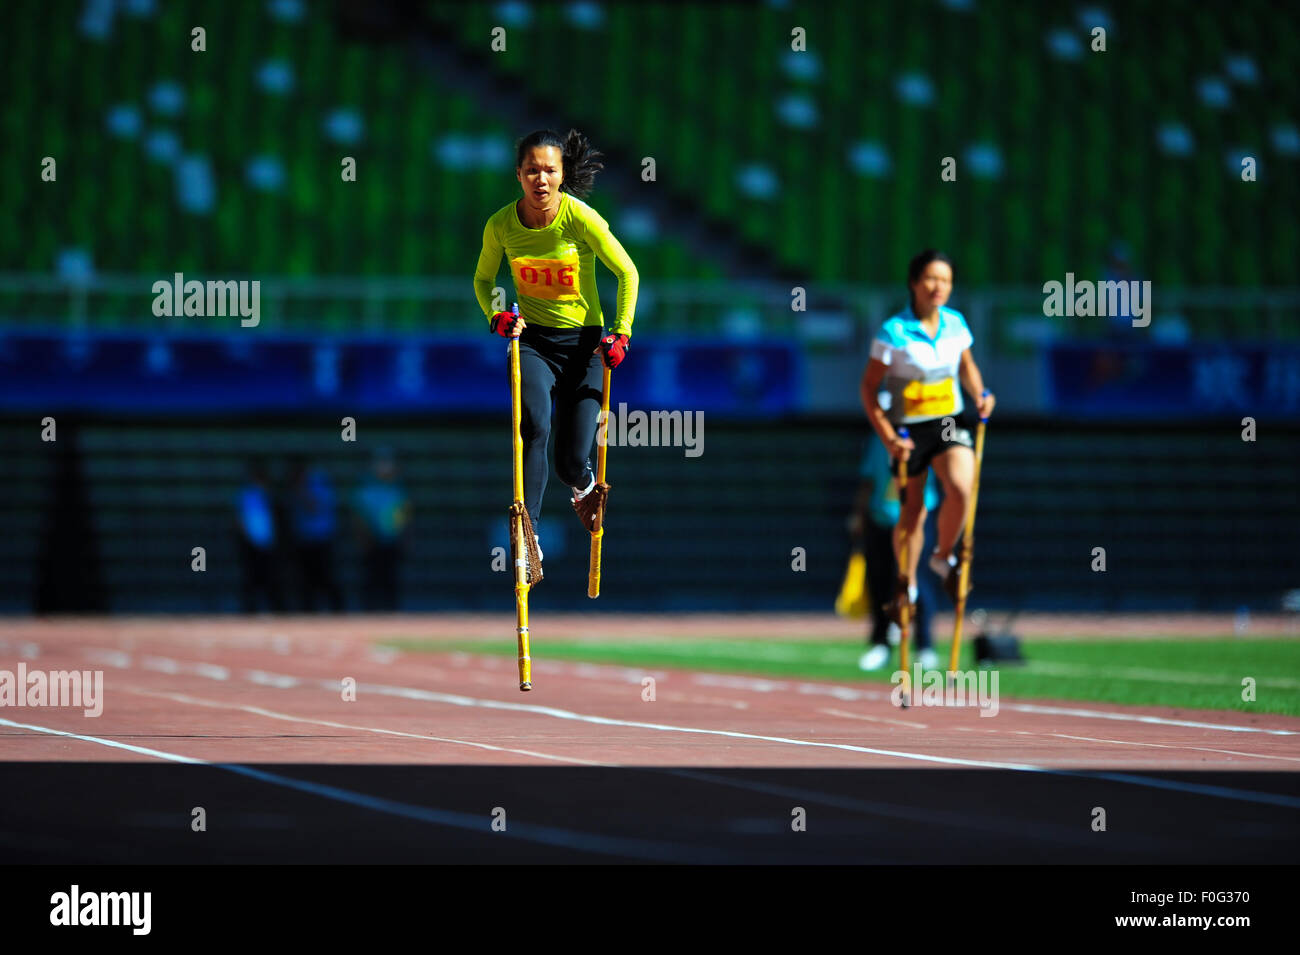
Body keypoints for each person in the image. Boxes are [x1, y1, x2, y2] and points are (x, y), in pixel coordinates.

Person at [472, 129, 639, 580]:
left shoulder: (582, 219)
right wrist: (496, 315)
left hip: (585, 348)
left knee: (570, 463)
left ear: (562, 174)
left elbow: (627, 271)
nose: (540, 179)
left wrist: (621, 333)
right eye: (532, 171)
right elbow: (484, 281)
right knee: (535, 426)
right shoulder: (501, 226)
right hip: (533, 344)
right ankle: (530, 536)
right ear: (518, 175)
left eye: (549, 170)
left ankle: (584, 488)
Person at [860, 250, 995, 652]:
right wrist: (887, 436)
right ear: (915, 283)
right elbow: (869, 388)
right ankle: (910, 582)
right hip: (907, 426)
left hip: (948, 420)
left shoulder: (956, 324)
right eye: (932, 279)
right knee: (913, 510)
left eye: (947, 281)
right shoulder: (893, 332)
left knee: (962, 486)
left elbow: (967, 367)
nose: (939, 287)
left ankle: (941, 556)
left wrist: (980, 393)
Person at [854, 437, 942, 671]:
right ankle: (881, 644)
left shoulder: (925, 432)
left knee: (917, 582)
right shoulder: (877, 439)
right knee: (880, 584)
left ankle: (924, 646)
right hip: (881, 518)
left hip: (916, 520)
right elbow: (868, 479)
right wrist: (859, 515)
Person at [353, 448, 411, 611]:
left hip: (391, 540)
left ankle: (391, 614)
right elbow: (359, 517)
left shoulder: (398, 490)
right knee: (370, 580)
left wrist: (404, 537)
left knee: (391, 581)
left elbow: (404, 516)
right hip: (372, 541)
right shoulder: (366, 490)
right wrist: (363, 538)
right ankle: (369, 613)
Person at [288, 456, 343, 612]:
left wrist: (301, 490)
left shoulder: (318, 484)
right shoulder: (297, 487)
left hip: (322, 539)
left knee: (326, 577)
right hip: (303, 540)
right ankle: (308, 611)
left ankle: (338, 611)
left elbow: (313, 506)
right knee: (305, 580)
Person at [234, 457, 283, 613]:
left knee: (272, 580)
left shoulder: (271, 496)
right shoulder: (247, 495)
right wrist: (247, 539)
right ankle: (250, 610)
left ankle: (276, 610)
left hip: (269, 543)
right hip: (251, 543)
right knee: (252, 580)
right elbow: (239, 519)